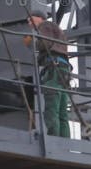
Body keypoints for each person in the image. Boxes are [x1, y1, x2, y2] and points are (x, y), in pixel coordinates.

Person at [23, 10, 71, 138]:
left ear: (40, 18)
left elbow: (45, 43)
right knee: (62, 111)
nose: (29, 23)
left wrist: (31, 43)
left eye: (31, 19)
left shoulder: (44, 26)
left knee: (51, 108)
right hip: (63, 70)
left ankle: (54, 139)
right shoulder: (57, 30)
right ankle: (65, 142)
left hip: (53, 69)